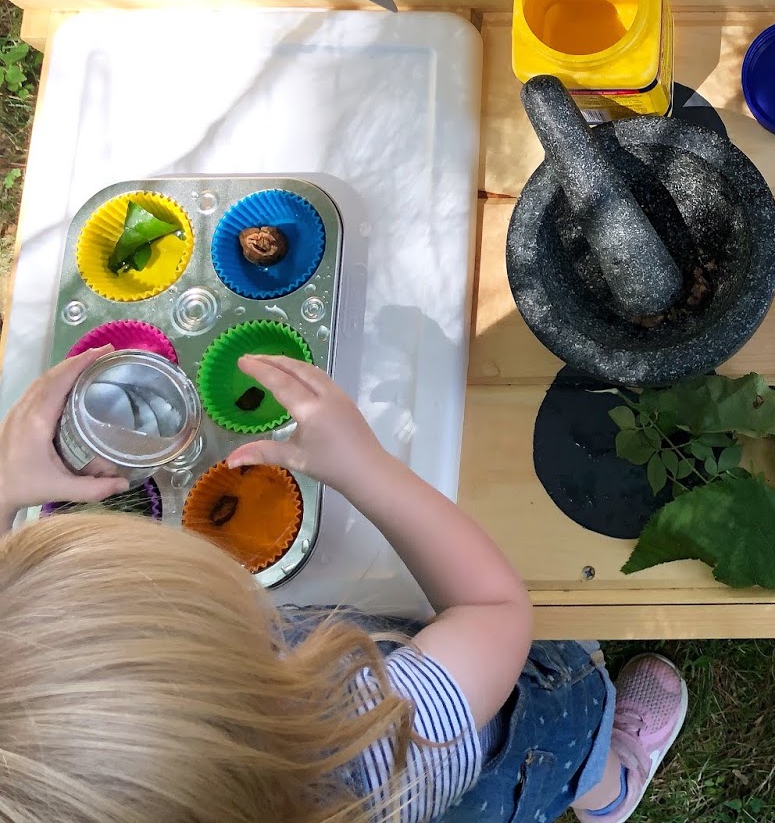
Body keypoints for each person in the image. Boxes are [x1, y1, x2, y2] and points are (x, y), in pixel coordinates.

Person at [0, 351, 689, 823]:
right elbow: (492, 608)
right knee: (570, 733)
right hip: (500, 737)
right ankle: (607, 786)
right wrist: (363, 465)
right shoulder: (379, 747)